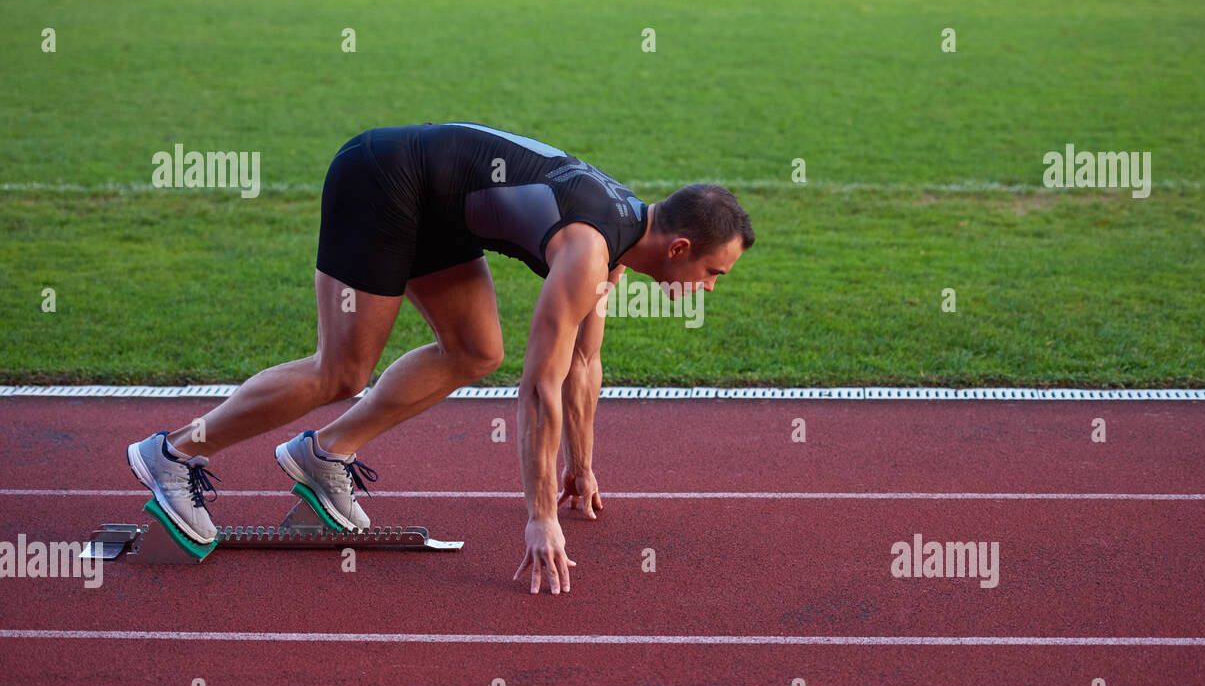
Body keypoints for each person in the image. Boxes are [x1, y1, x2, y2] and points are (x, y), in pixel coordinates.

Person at [127, 121, 754, 594]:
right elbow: (540, 386)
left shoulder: (620, 237)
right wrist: (538, 519)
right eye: (713, 271)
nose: (712, 286)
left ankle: (323, 455)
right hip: (383, 180)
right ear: (678, 248)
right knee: (341, 371)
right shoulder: (591, 250)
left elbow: (584, 365)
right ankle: (176, 452)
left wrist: (581, 468)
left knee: (475, 350)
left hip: (439, 208)